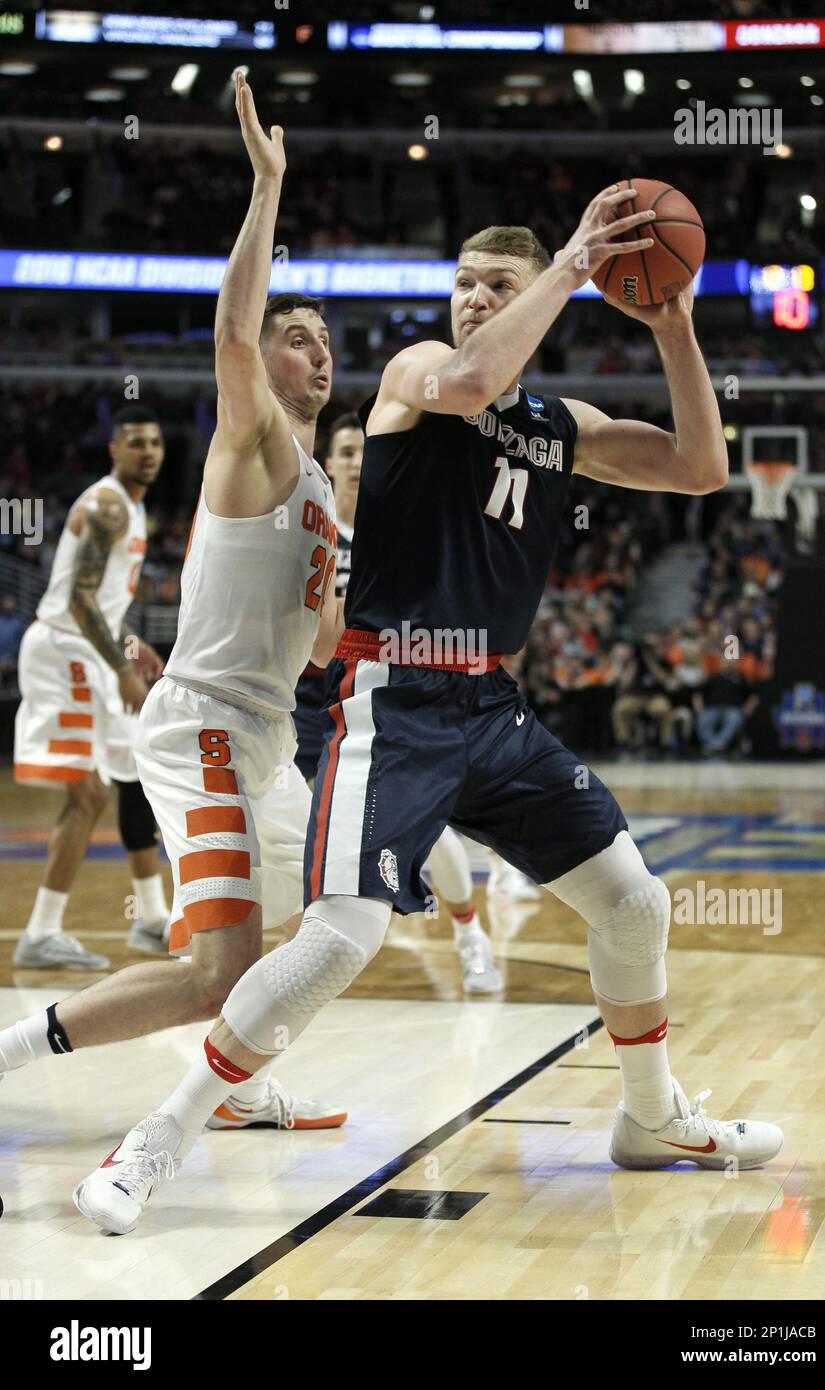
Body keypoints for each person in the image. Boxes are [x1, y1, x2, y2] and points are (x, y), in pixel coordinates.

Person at [74, 188, 783, 1235]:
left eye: (494, 285)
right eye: (463, 285)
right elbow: (470, 377)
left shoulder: (560, 426)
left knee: (636, 906)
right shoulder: (417, 373)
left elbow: (700, 465)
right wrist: (571, 266)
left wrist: (673, 325)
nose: (471, 300)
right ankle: (154, 1142)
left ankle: (647, 1116)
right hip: (391, 700)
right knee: (335, 939)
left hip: (492, 707)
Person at [0, 72, 346, 1139]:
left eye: (329, 344)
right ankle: (11, 1049)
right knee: (213, 976)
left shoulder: (326, 489)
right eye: (301, 336)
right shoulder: (255, 440)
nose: (317, 353)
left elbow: (327, 643)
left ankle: (235, 1086)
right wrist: (264, 188)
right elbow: (232, 338)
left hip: (261, 734)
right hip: (205, 730)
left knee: (334, 921)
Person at [293, 412, 502, 992]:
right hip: (301, 699)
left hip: (380, 696)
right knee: (284, 829)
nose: (356, 461)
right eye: (344, 451)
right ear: (327, 463)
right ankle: (229, 946)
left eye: (364, 450)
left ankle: (469, 934)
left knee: (431, 833)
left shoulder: (401, 526)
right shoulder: (305, 528)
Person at [12, 405, 171, 969]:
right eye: (135, 442)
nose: (147, 452)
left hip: (91, 651)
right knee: (89, 794)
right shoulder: (107, 505)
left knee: (134, 773)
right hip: (63, 653)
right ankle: (41, 934)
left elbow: (100, 601)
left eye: (154, 443)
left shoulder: (132, 506)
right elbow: (78, 602)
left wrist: (131, 645)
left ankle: (151, 920)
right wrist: (123, 667)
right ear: (114, 450)